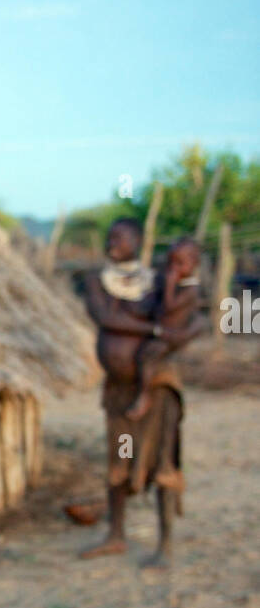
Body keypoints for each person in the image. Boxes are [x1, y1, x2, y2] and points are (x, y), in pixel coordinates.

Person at [80, 218, 203, 567]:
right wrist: (155, 329)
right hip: (120, 393)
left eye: (118, 237)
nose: (110, 243)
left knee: (162, 459)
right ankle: (116, 535)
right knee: (119, 458)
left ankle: (165, 545)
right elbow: (105, 318)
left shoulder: (156, 283)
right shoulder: (97, 281)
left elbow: (188, 319)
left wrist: (180, 333)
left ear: (137, 240)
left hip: (158, 388)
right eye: (108, 237)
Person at [125, 237, 204, 420]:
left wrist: (169, 284)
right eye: (171, 262)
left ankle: (143, 395)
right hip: (160, 332)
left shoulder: (191, 290)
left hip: (171, 336)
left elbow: (169, 306)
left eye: (180, 263)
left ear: (194, 264)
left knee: (147, 356)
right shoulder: (174, 283)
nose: (173, 268)